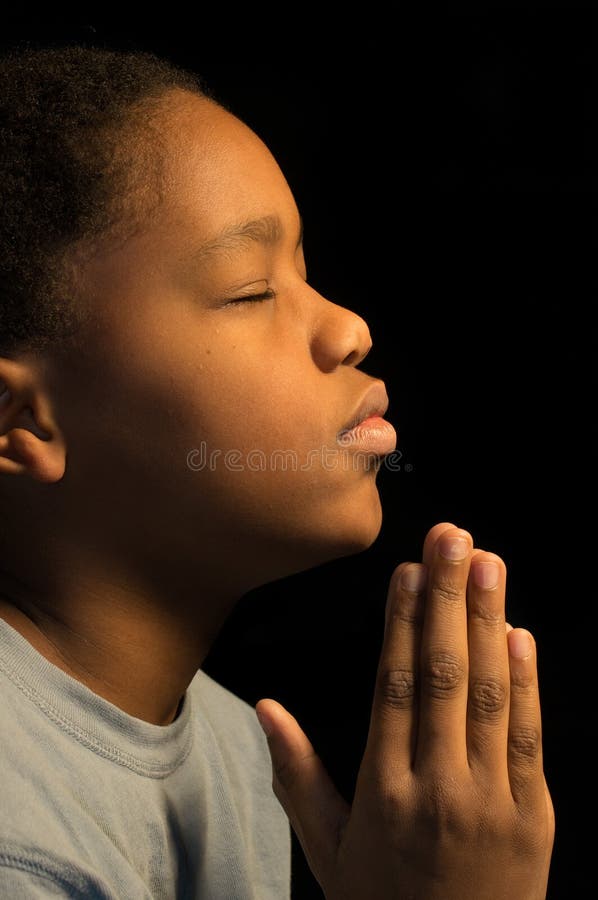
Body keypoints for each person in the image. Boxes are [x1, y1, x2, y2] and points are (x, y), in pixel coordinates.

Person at [0, 44, 554, 899]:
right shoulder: (19, 838)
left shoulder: (234, 749)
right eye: (251, 289)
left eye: (304, 273)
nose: (349, 329)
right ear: (21, 423)